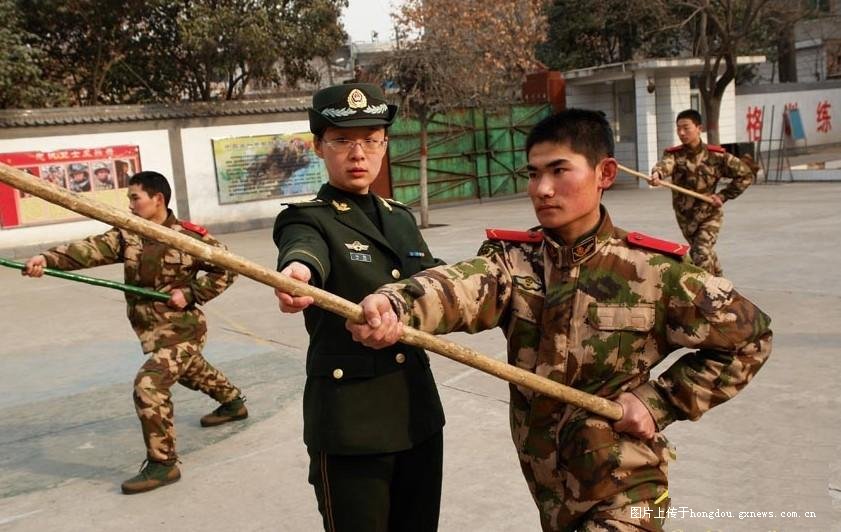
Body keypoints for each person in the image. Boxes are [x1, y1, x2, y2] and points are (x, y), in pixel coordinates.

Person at [348, 109, 772, 531]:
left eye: (559, 171)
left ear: (605, 173)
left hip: (625, 491)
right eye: (533, 174)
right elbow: (457, 286)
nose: (543, 189)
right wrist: (395, 303)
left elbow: (751, 336)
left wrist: (659, 400)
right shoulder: (514, 263)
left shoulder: (655, 272)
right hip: (551, 494)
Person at [273, 83, 446, 532]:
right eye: (343, 140)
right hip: (351, 427)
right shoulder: (307, 217)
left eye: (371, 140)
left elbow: (435, 280)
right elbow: (302, 250)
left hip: (418, 417)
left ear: (384, 146)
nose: (359, 153)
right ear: (319, 147)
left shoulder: (401, 217)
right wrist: (297, 273)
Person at [22, 171, 248, 494]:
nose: (129, 205)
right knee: (190, 370)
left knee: (149, 385)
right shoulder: (129, 234)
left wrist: (192, 293)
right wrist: (46, 259)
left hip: (184, 329)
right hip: (153, 330)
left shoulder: (188, 237)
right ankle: (233, 402)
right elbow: (88, 249)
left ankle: (163, 464)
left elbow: (229, 267)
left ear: (158, 199)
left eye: (134, 198)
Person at [650, 109, 755, 276]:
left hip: (709, 214)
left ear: (699, 128)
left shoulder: (716, 156)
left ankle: (707, 293)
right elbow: (666, 164)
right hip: (686, 218)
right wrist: (658, 173)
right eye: (678, 129)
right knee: (705, 253)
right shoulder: (674, 155)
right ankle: (721, 282)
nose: (681, 133)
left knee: (700, 252)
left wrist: (723, 195)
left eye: (686, 128)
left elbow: (746, 175)